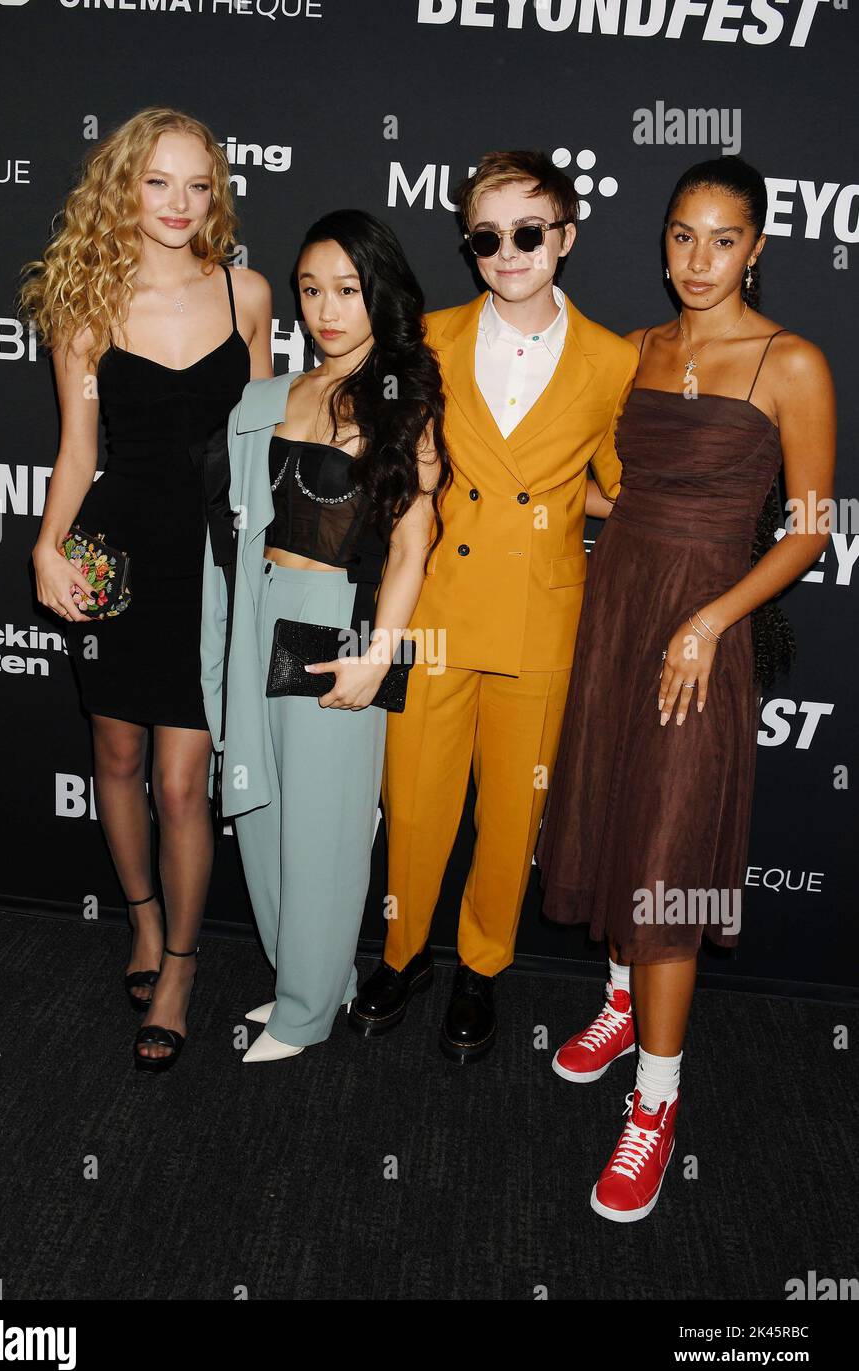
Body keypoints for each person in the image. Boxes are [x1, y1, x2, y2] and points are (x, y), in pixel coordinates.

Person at [536, 155, 835, 1221]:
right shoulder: (639, 352)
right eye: (679, 235)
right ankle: (618, 1002)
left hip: (701, 633)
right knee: (616, 813)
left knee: (669, 853)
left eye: (721, 239)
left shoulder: (788, 363)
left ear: (756, 247)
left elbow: (809, 529)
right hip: (617, 613)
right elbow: (623, 495)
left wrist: (710, 621)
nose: (696, 259)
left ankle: (655, 1104)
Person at [350, 149, 637, 1063]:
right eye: (487, 236)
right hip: (437, 605)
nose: (507, 251)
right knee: (416, 799)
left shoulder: (614, 361)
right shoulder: (428, 337)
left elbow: (618, 492)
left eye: (528, 231)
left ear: (566, 236)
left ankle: (481, 967)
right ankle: (404, 954)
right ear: (469, 245)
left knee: (513, 814)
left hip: (541, 616)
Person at [21, 107, 272, 1072]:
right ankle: (137, 920)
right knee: (118, 756)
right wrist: (48, 547)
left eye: (197, 184)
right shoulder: (85, 302)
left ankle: (179, 963)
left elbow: (257, 439)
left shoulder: (246, 295)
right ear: (126, 185)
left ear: (217, 195)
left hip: (211, 558)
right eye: (159, 181)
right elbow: (78, 449)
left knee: (183, 781)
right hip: (112, 553)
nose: (178, 203)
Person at [201, 209, 451, 1062]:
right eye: (311, 290)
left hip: (337, 626)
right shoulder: (275, 396)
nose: (327, 308)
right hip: (261, 617)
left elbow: (415, 541)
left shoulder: (402, 397)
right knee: (262, 815)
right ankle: (310, 980)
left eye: (347, 289)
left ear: (380, 293)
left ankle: (305, 1015)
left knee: (327, 829)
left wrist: (379, 653)